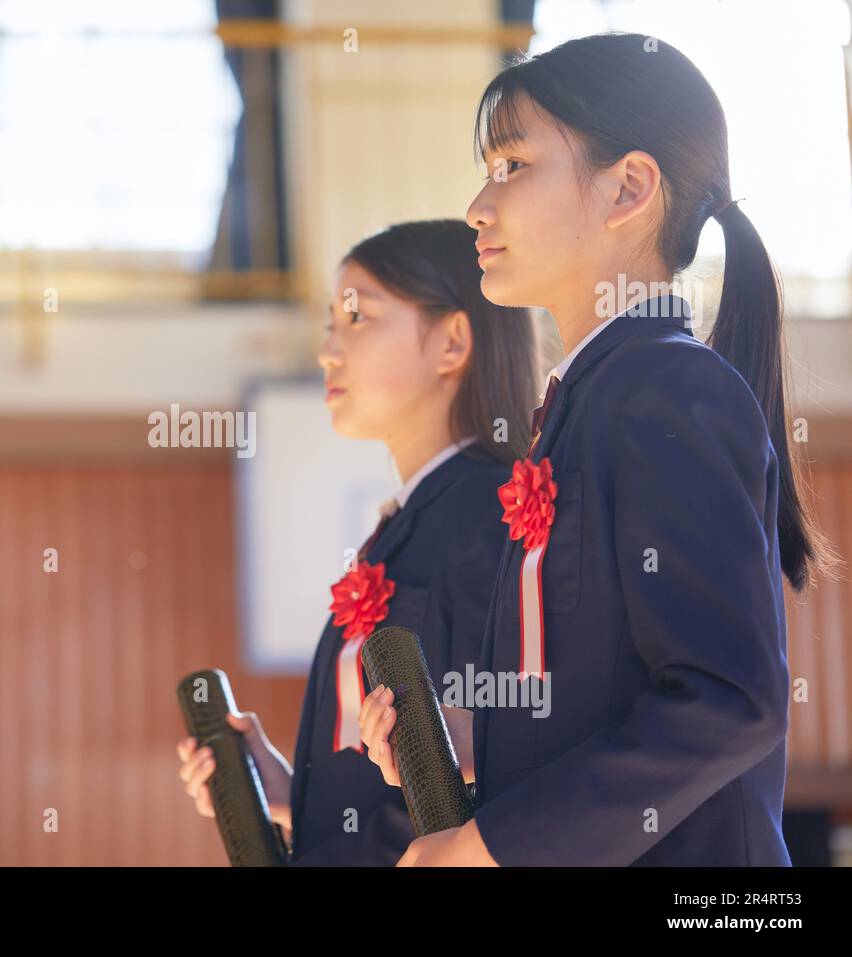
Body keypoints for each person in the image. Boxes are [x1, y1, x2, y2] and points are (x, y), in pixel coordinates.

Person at [361, 33, 835, 866]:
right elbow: (610, 692)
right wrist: (481, 738)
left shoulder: (669, 389)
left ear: (630, 188)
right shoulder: (588, 405)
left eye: (512, 167)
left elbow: (727, 699)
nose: (478, 203)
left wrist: (488, 845)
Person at [177, 220, 536, 864]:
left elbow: (503, 759)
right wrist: (291, 794)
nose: (327, 353)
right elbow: (409, 767)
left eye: (357, 319)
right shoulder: (408, 523)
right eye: (328, 328)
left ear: (452, 341)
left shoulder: (494, 513)